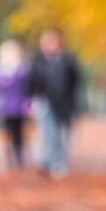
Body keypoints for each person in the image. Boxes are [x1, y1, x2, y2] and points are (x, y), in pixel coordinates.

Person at [29, 28, 83, 176]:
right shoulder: (37, 61)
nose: (47, 44)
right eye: (44, 42)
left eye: (50, 41)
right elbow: (32, 83)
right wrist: (33, 100)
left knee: (61, 134)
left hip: (64, 103)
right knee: (47, 132)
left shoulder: (68, 60)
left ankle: (59, 162)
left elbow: (75, 82)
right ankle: (46, 161)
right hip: (45, 102)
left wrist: (74, 104)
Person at [0, 39, 32, 169]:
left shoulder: (23, 69)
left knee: (19, 132)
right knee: (7, 132)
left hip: (20, 107)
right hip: (4, 108)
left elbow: (29, 87)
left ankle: (19, 156)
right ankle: (10, 157)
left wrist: (29, 103)